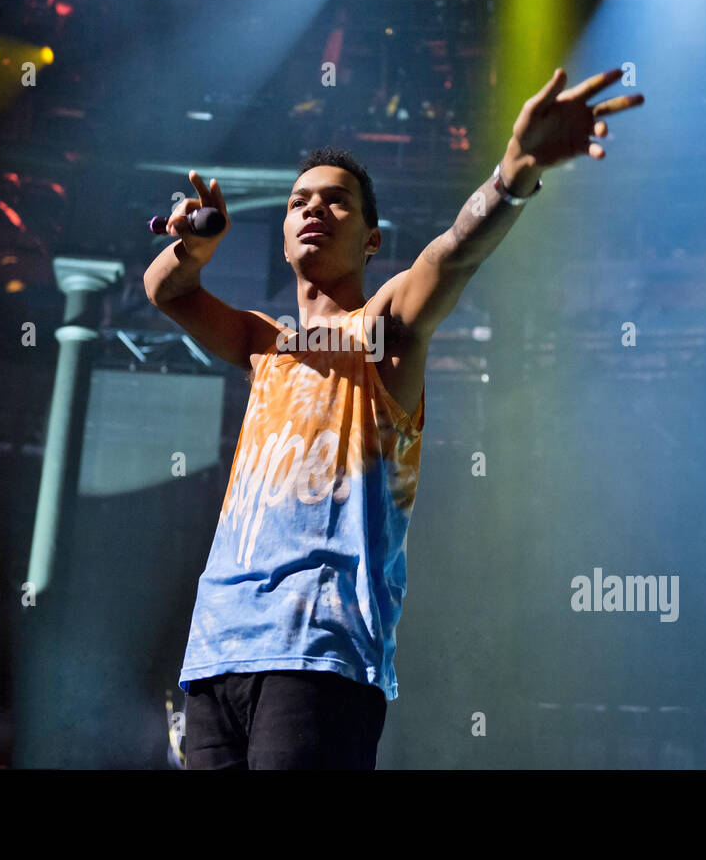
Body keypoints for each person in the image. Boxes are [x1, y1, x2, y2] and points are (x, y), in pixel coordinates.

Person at [143, 67, 643, 769]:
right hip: (215, 655)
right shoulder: (265, 343)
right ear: (284, 234)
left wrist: (511, 175)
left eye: (337, 202)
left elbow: (453, 254)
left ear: (372, 240)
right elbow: (166, 290)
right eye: (299, 202)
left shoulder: (382, 332)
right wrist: (190, 249)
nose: (313, 209)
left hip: (320, 657)